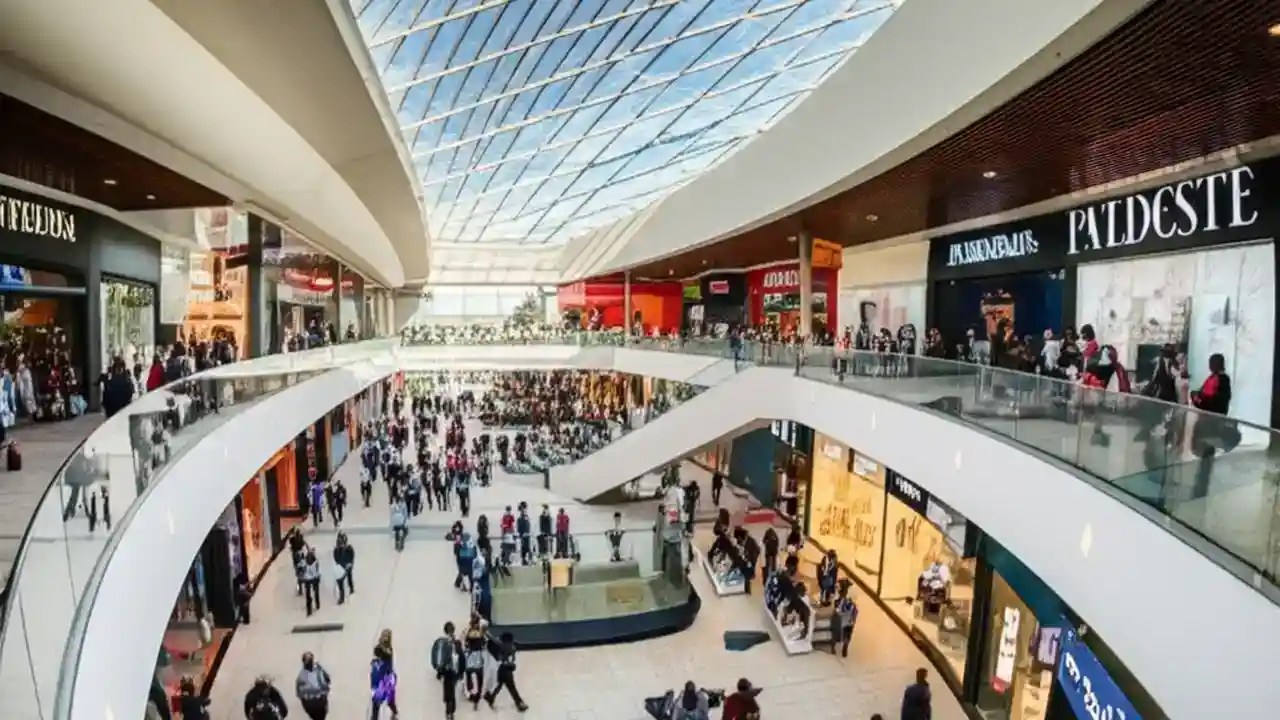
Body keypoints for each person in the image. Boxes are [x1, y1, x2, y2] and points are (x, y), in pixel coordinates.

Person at [484, 631, 528, 712]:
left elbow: (494, 640)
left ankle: (490, 698)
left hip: (502, 669)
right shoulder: (510, 647)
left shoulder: (504, 646)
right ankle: (519, 704)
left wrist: (486, 633)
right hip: (506, 671)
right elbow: (513, 659)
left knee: (500, 685)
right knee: (512, 688)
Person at [432, 621, 463, 720]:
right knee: (452, 690)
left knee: (448, 690)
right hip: (454, 670)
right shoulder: (457, 642)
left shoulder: (441, 642)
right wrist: (461, 672)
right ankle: (451, 710)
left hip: (447, 671)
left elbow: (439, 658)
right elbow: (462, 657)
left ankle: (449, 711)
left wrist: (439, 671)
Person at [370, 630, 398, 719]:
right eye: (384, 636)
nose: (385, 639)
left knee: (389, 700)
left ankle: (394, 712)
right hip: (380, 678)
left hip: (387, 678)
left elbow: (387, 656)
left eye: (387, 637)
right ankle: (375, 718)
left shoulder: (388, 649)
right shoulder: (378, 648)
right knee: (376, 701)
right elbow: (375, 661)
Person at [462, 611, 489, 708]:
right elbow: (485, 642)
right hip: (477, 655)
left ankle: (471, 691)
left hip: (470, 655)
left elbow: (464, 642)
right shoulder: (480, 631)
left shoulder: (469, 630)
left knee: (469, 673)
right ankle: (477, 693)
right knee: (479, 675)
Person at [295, 651, 331, 720]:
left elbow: (299, 694)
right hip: (316, 704)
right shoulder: (303, 676)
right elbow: (327, 681)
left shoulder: (302, 675)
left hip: (316, 703)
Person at [831, 580, 857, 658]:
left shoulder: (839, 599)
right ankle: (844, 646)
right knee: (847, 633)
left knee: (836, 632)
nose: (836, 587)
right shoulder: (850, 598)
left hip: (841, 618)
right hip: (849, 619)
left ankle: (834, 646)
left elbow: (837, 609)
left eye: (837, 587)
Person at [333, 532, 355, 604]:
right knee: (340, 581)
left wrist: (350, 563)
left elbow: (351, 557)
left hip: (347, 565)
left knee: (349, 576)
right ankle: (341, 598)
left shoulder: (349, 548)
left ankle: (351, 587)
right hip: (341, 567)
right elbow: (335, 558)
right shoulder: (336, 550)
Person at [301, 548, 321, 616]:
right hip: (313, 579)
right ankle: (316, 604)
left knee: (309, 595)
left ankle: (310, 609)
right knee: (315, 593)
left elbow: (303, 571)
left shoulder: (305, 562)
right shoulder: (315, 562)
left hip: (309, 579)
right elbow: (317, 571)